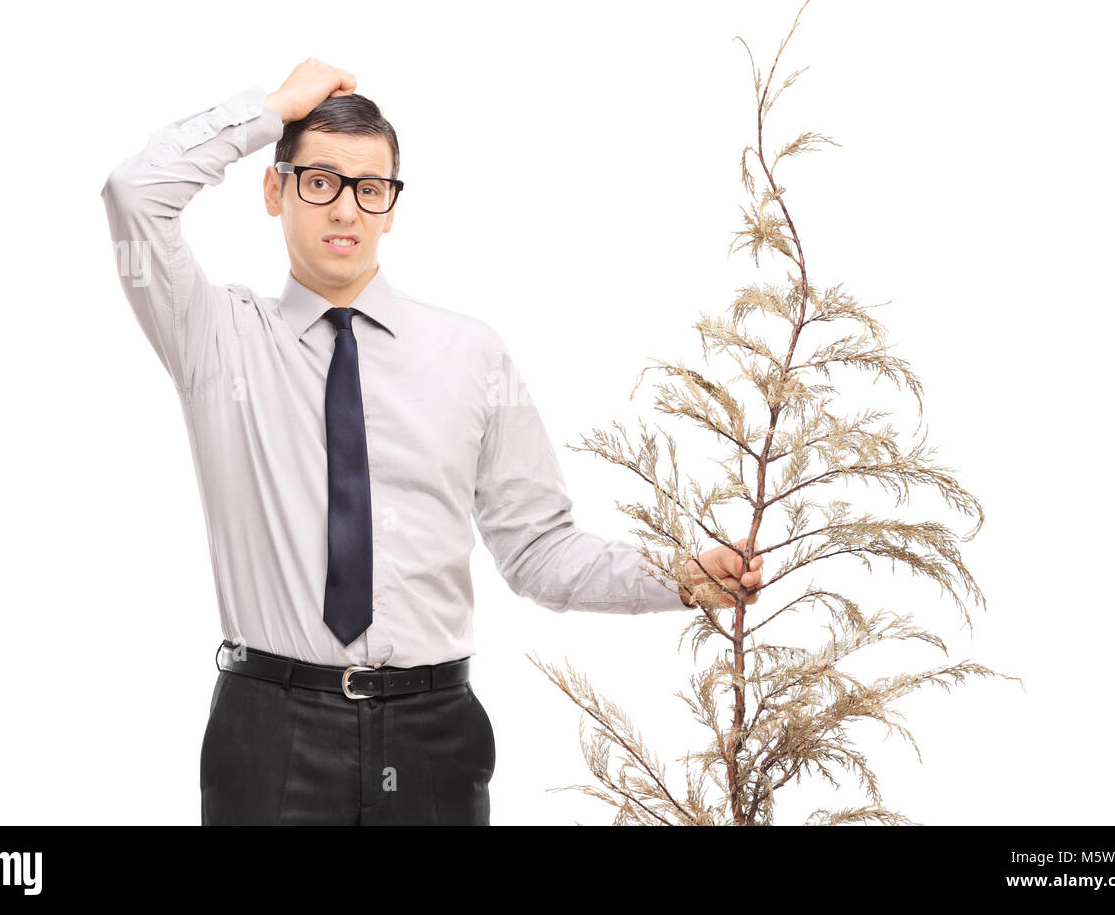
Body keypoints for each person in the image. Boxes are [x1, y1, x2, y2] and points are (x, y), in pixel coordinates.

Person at [99, 58, 764, 825]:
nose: (344, 208)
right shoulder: (218, 342)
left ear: (391, 208)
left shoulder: (470, 355)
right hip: (269, 734)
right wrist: (274, 107)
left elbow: (540, 552)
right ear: (275, 190)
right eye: (319, 181)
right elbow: (134, 193)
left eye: (369, 188)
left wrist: (679, 576)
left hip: (431, 738)